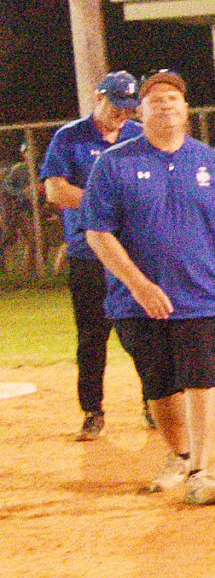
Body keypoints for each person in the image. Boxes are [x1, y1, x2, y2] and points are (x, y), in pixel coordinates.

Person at [77, 71, 215, 506]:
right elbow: (98, 233)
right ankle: (178, 455)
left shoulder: (213, 163)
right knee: (159, 388)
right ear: (140, 110)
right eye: (155, 99)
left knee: (202, 381)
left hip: (204, 296)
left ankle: (201, 470)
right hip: (138, 304)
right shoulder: (114, 163)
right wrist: (139, 286)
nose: (166, 105)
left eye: (174, 98)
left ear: (186, 109)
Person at [40, 70, 142, 440]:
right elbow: (54, 190)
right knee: (92, 336)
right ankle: (93, 410)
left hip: (135, 253)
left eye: (129, 108)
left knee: (144, 332)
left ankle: (154, 401)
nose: (122, 114)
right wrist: (105, 203)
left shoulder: (136, 135)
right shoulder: (70, 137)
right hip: (89, 253)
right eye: (117, 105)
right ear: (99, 96)